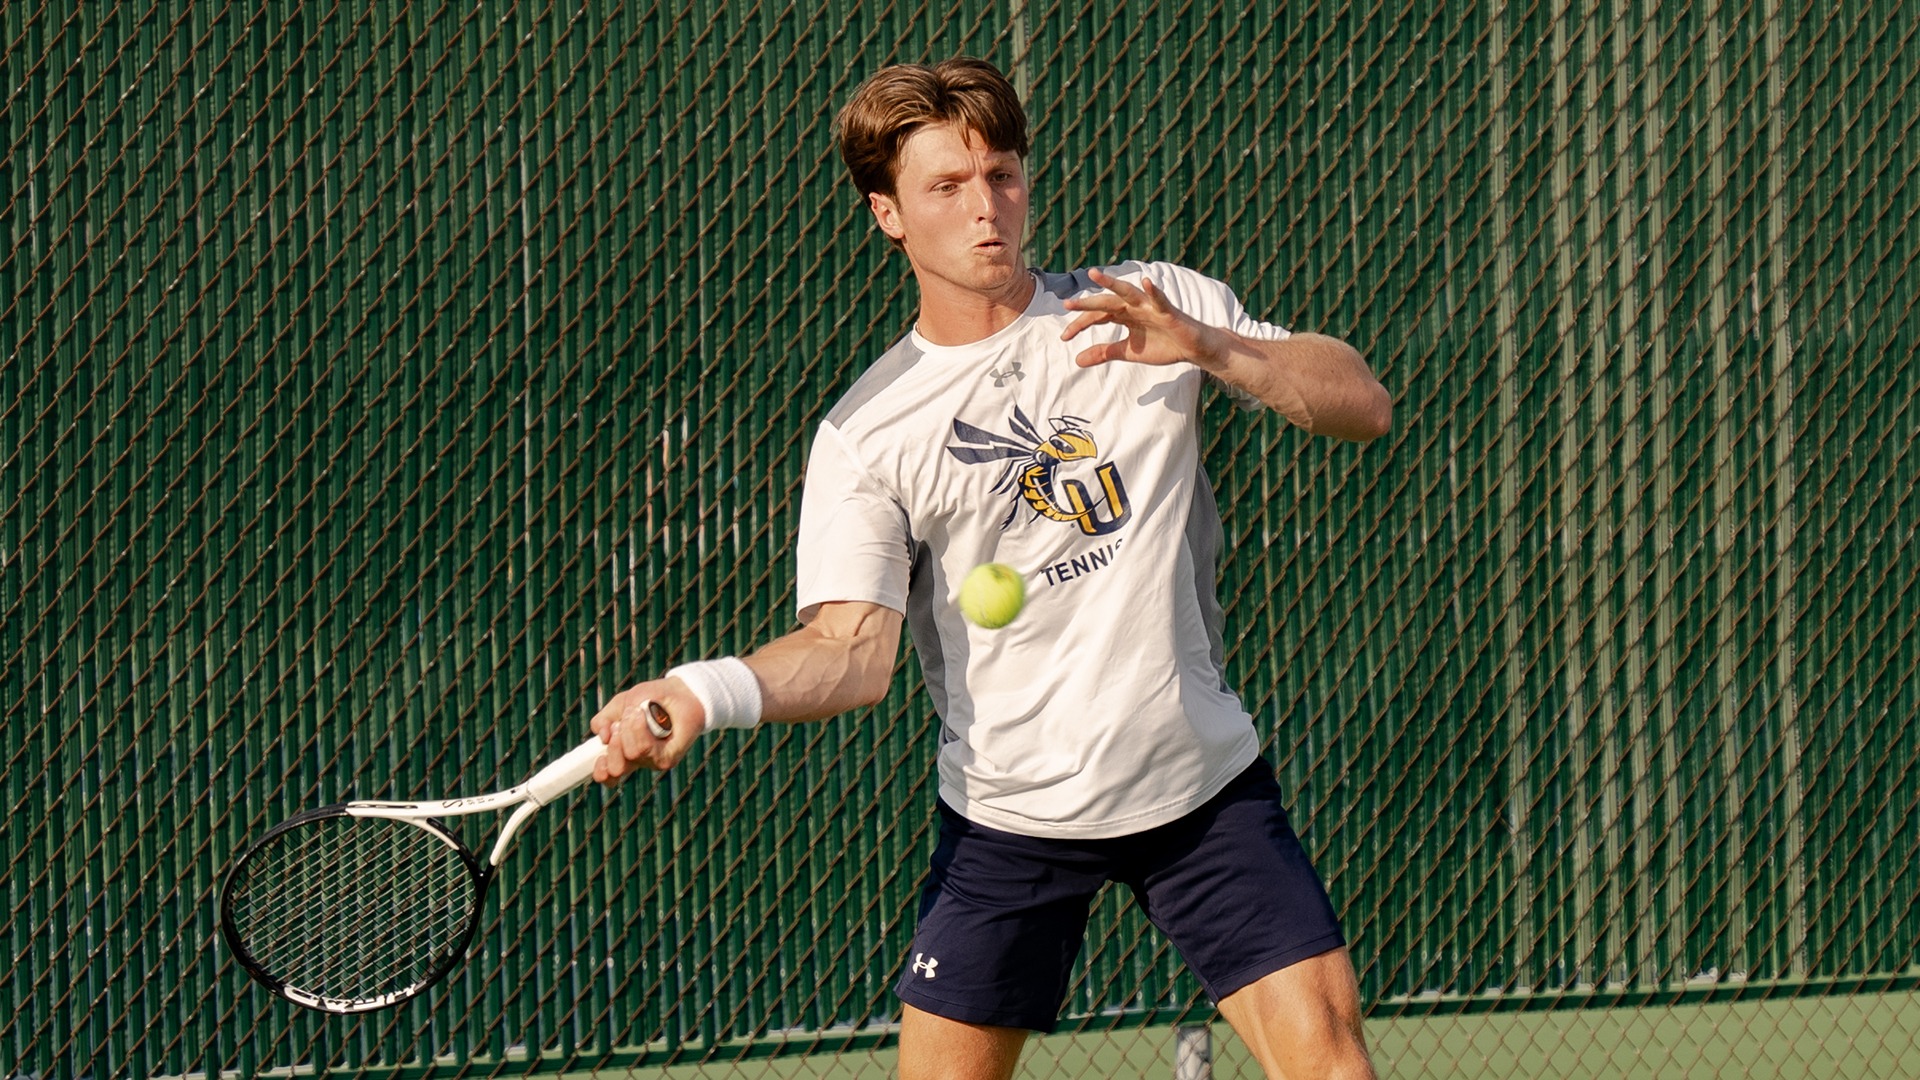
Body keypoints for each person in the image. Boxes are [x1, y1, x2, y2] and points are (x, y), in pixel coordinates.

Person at [591, 57, 1390, 1080]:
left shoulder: (1148, 304)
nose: (987, 210)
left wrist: (1208, 346)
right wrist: (702, 691)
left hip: (1200, 790)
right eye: (947, 188)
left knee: (1332, 1066)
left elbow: (1363, 404)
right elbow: (850, 654)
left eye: (1001, 175)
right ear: (887, 214)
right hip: (1010, 823)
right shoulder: (866, 434)